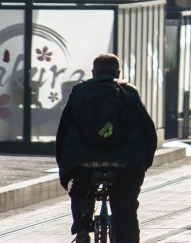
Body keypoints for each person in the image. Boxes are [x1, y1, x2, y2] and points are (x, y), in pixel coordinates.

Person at [55, 53, 157, 243]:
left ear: (93, 72)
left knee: (80, 191)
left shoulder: (79, 92)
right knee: (126, 213)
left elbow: (63, 132)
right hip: (125, 164)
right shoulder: (130, 93)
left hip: (84, 162)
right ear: (118, 72)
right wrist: (141, 166)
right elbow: (149, 132)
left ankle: (82, 229)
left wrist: (67, 167)